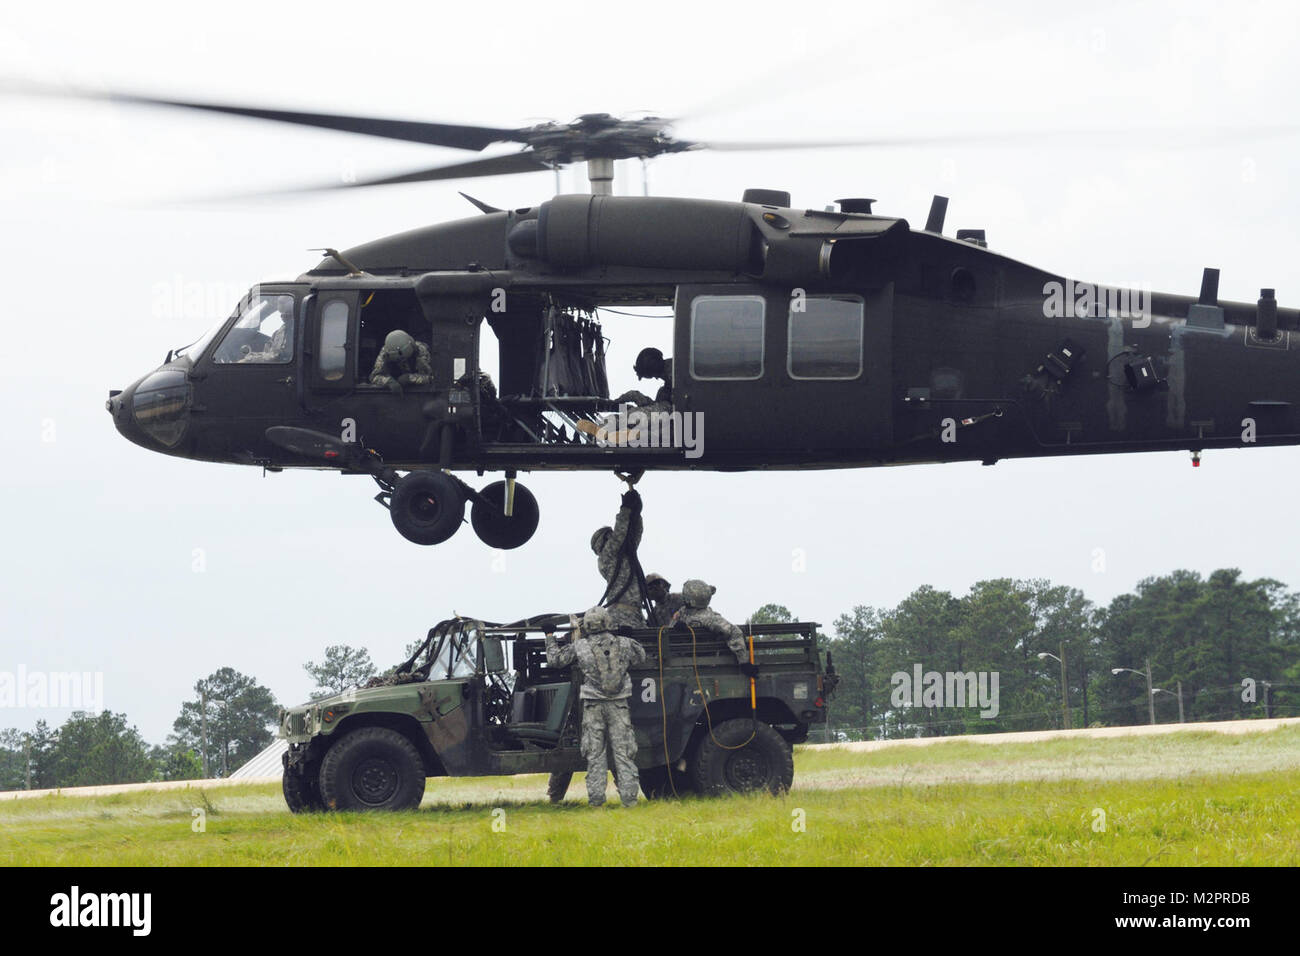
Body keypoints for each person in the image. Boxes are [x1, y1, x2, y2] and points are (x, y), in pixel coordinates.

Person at [545, 605, 647, 807]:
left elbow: (555, 660)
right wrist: (628, 638)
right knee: (624, 754)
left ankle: (597, 802)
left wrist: (549, 636)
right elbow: (641, 657)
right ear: (607, 622)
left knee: (595, 755)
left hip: (593, 707)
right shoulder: (624, 643)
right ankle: (629, 801)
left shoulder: (580, 646)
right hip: (619, 706)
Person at [671, 579, 758, 675]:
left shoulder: (708, 618)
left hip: (703, 663)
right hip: (685, 662)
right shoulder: (683, 612)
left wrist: (744, 662)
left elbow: (734, 632)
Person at [591, 489, 647, 629]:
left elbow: (633, 535)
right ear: (603, 541)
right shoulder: (606, 557)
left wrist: (636, 514)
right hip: (621, 615)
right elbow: (619, 535)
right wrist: (625, 510)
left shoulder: (626, 554)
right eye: (609, 535)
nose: (612, 536)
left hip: (636, 614)